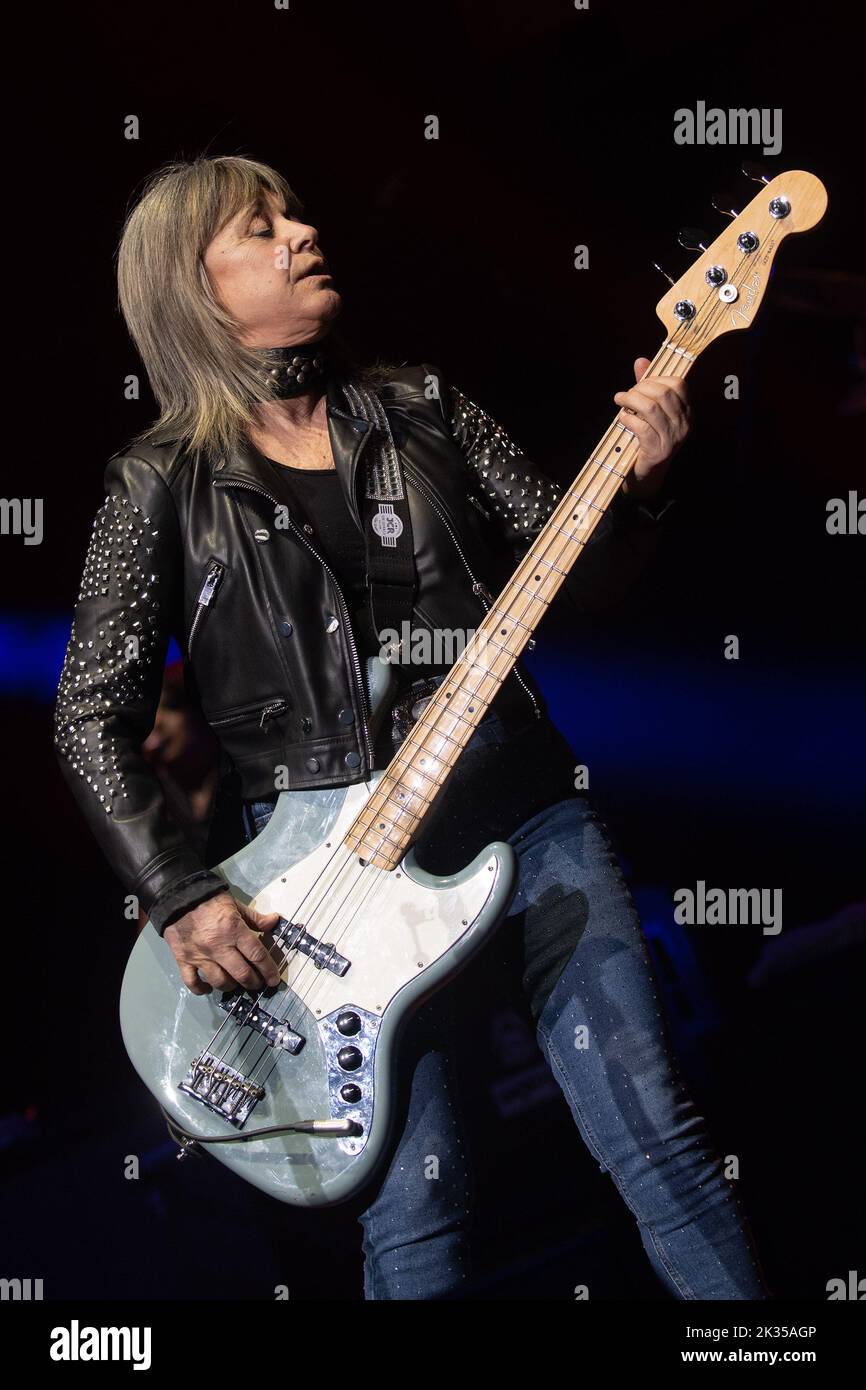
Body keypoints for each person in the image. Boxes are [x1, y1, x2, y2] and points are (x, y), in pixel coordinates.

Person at [54, 154, 769, 1299]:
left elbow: (571, 578)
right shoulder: (157, 486)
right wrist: (183, 894)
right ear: (194, 289)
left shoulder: (423, 409)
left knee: (661, 1144)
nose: (301, 230)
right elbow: (89, 713)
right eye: (260, 226)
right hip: (322, 894)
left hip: (525, 819)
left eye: (294, 210)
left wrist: (638, 487)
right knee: (421, 1221)